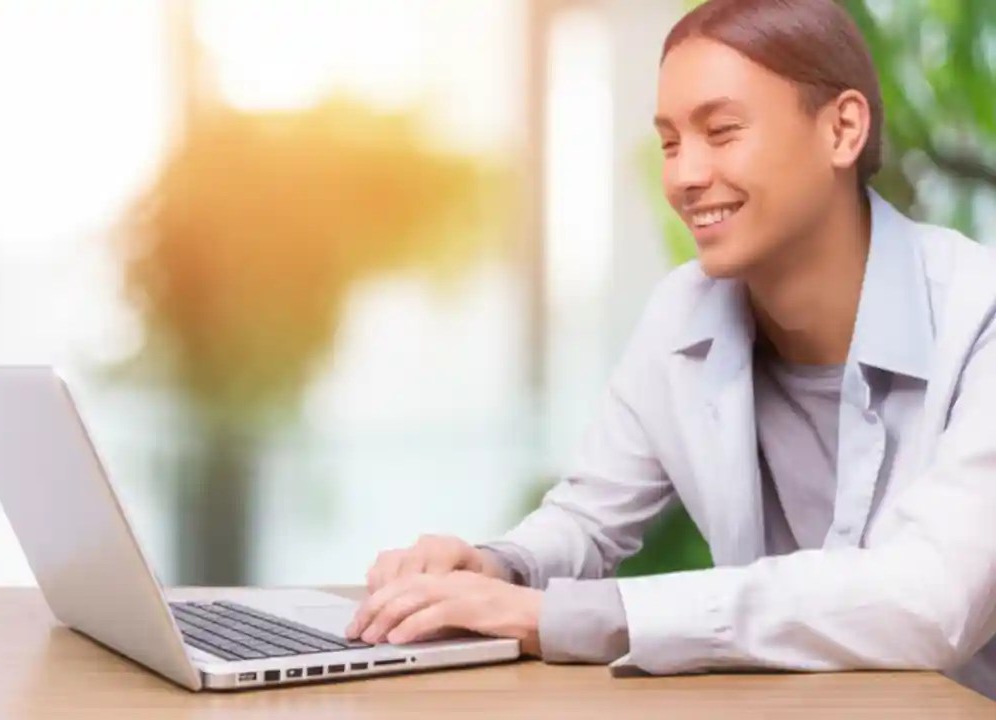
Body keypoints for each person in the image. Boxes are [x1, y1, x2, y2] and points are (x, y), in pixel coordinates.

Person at [345, 0, 996, 699]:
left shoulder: (978, 315)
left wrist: (563, 617)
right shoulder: (684, 313)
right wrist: (496, 567)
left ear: (841, 129)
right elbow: (588, 521)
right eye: (670, 143)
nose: (684, 176)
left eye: (720, 132)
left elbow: (930, 602)